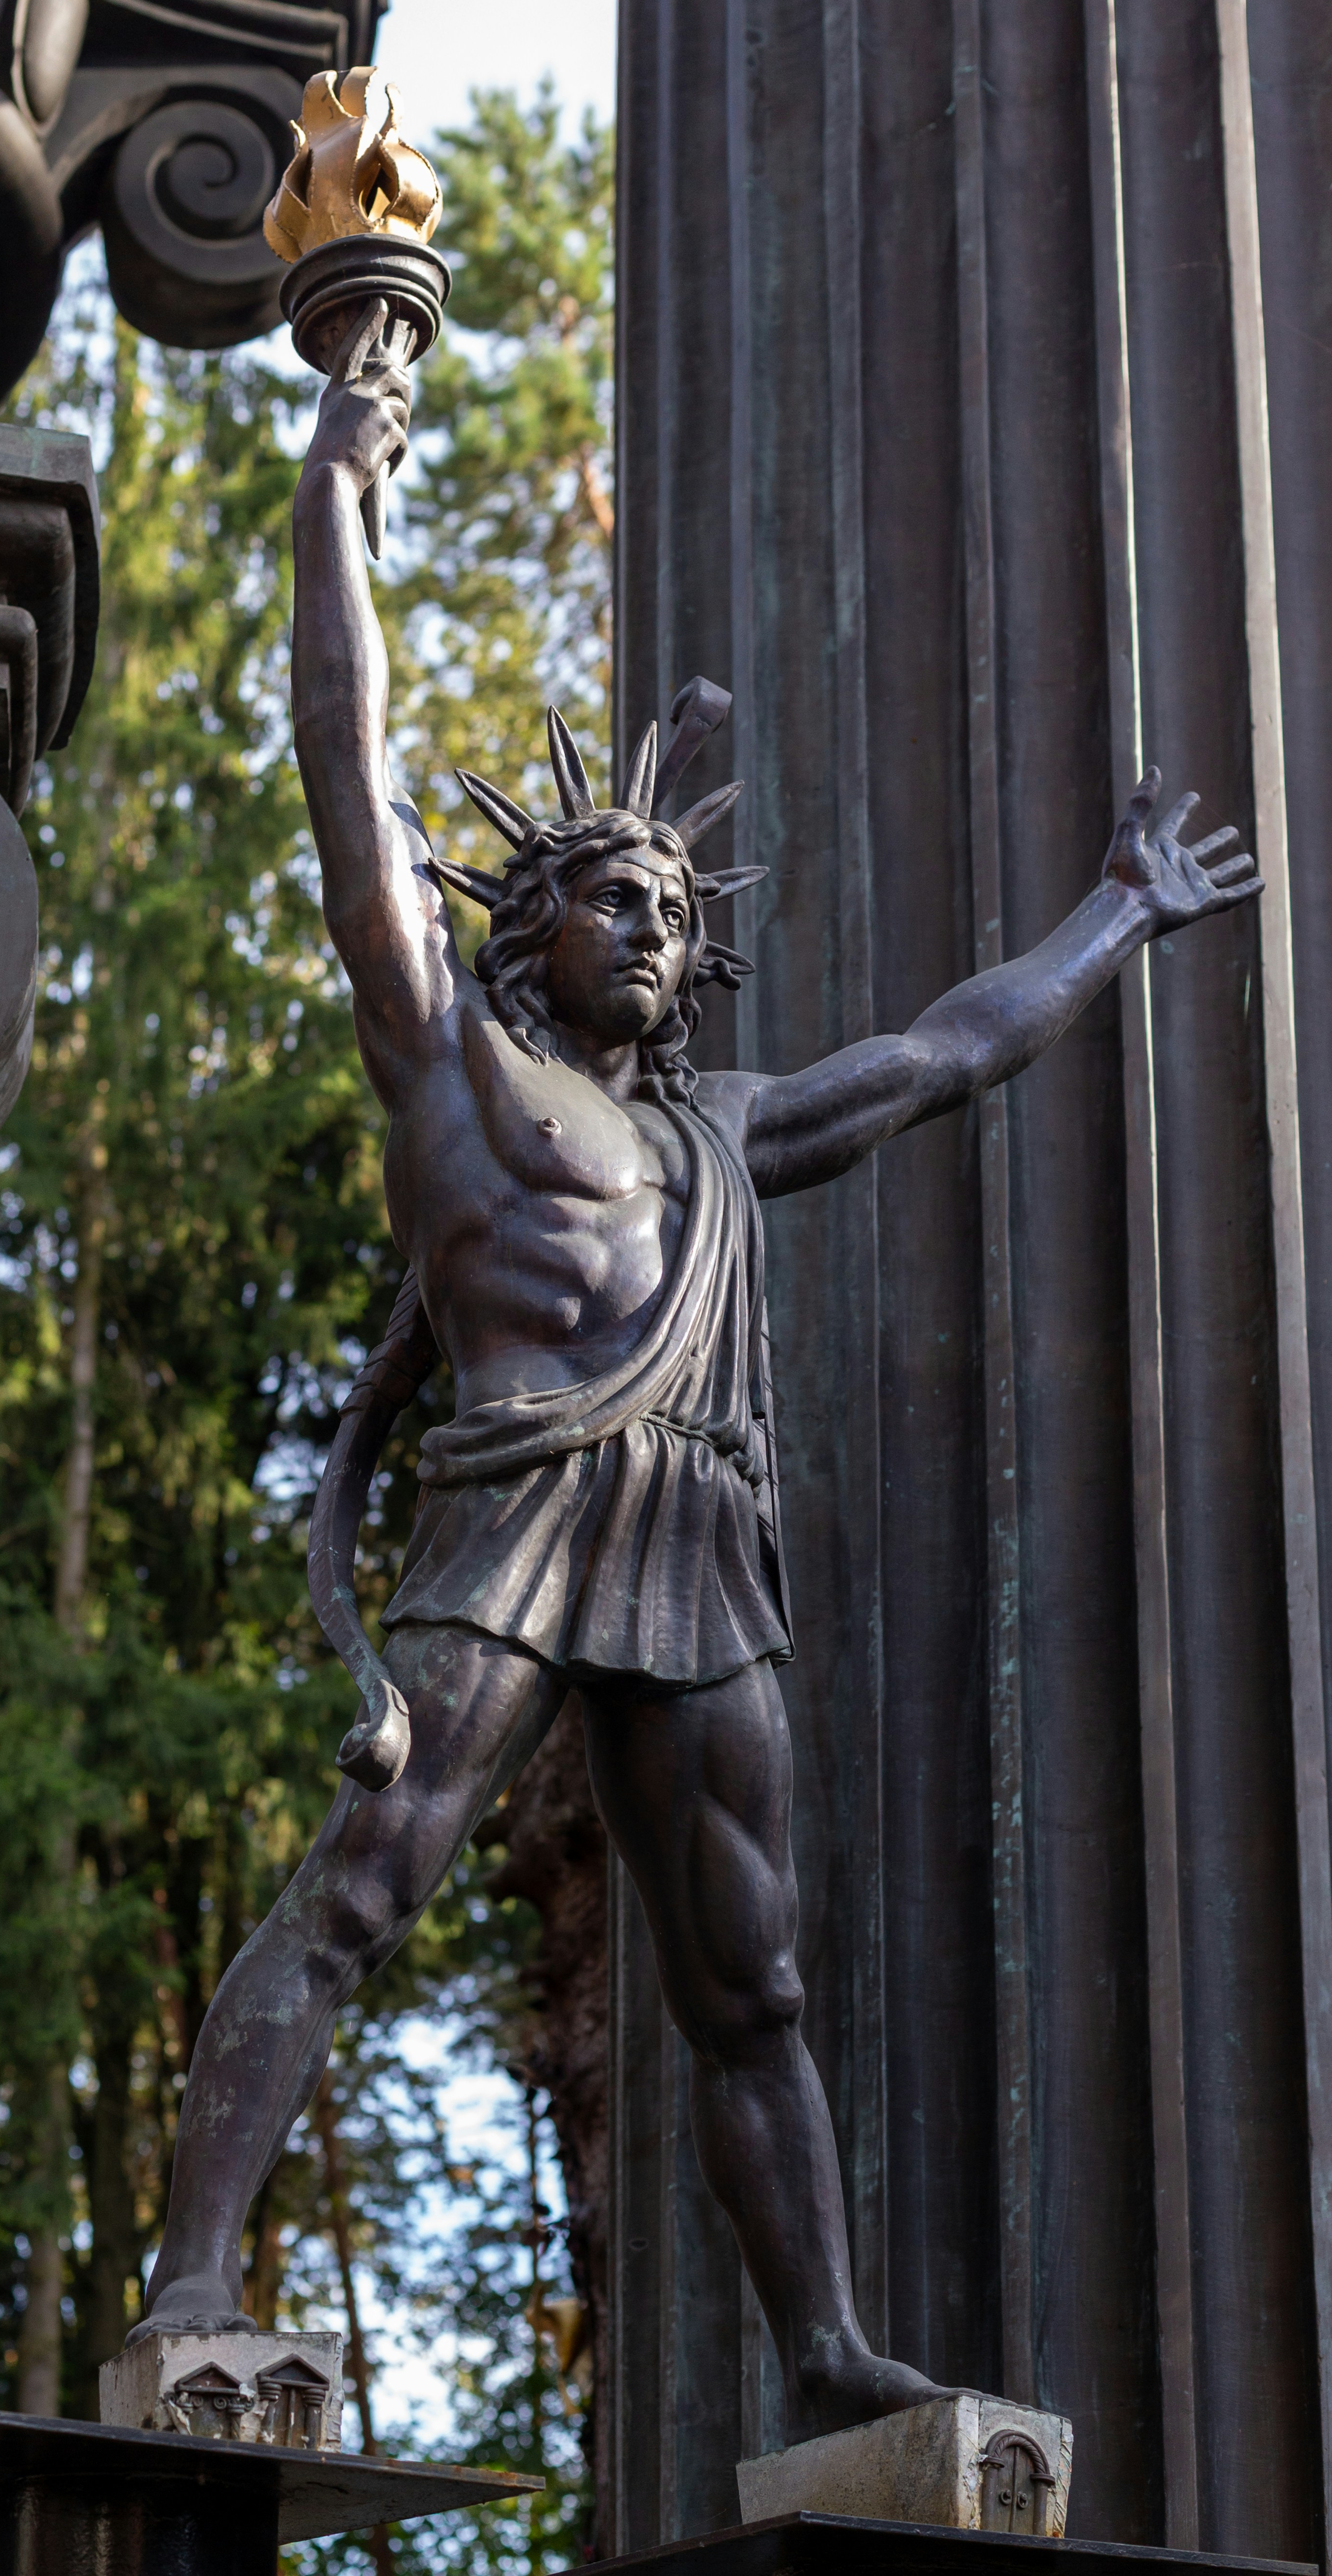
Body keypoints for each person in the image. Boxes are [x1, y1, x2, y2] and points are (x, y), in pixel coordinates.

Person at [136, 304, 1261, 2438]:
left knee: (756, 1985)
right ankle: (196, 2271)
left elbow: (942, 1052)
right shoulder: (453, 1074)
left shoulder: (725, 1128)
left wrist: (1117, 910)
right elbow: (345, 767)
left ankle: (823, 2349)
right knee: (363, 1884)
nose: (648, 922)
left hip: (701, 1545)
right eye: (608, 896)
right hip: (521, 1516)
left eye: (671, 902)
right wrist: (331, 488)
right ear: (526, 933)